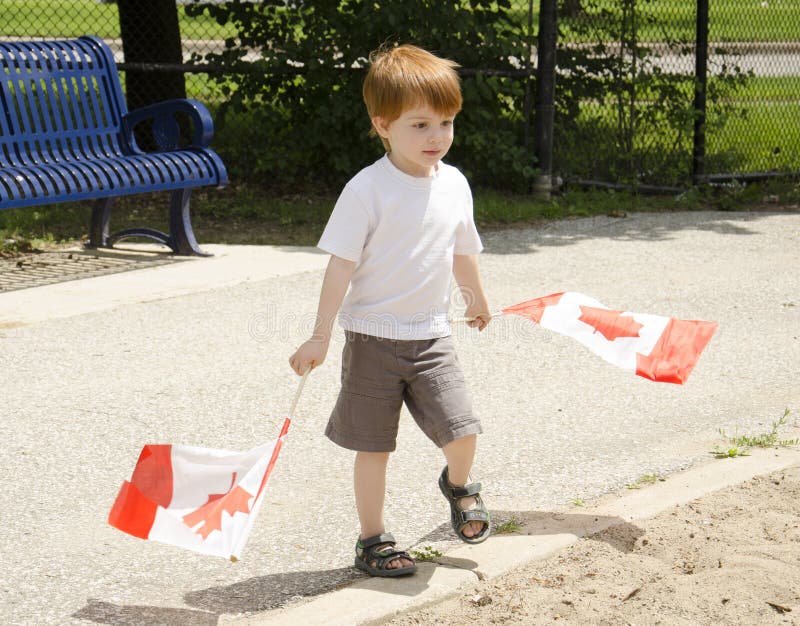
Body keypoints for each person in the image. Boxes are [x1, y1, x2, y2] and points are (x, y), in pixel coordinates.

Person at [289, 44, 492, 578]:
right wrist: (319, 336)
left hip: (432, 339)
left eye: (446, 123)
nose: (437, 137)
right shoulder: (366, 190)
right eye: (420, 124)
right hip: (372, 342)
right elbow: (339, 267)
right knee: (373, 448)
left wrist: (475, 298)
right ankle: (373, 540)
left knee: (463, 429)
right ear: (382, 124)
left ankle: (459, 486)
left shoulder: (455, 184)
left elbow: (461, 250)